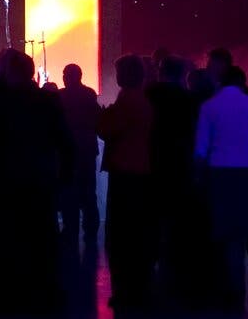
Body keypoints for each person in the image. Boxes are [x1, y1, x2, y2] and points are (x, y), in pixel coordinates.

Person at [0, 49, 72, 315]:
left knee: (8, 234)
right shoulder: (47, 100)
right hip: (40, 179)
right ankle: (45, 284)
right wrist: (64, 175)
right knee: (42, 232)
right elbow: (64, 141)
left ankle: (10, 287)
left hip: (8, 180)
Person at [194, 65, 248, 308]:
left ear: (220, 82)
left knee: (229, 232)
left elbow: (201, 148)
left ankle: (236, 285)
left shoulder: (209, 107)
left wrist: (199, 176)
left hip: (220, 173)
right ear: (243, 81)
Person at [98, 54, 156, 308]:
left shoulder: (129, 100)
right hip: (141, 171)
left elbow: (109, 129)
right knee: (136, 233)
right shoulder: (142, 100)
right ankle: (139, 287)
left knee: (122, 235)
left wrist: (101, 116)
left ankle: (126, 290)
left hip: (126, 171)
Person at [58, 63, 101, 243]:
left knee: (69, 192)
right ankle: (91, 228)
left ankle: (71, 228)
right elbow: (97, 119)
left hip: (67, 151)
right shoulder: (89, 94)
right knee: (88, 190)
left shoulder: (60, 96)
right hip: (86, 149)